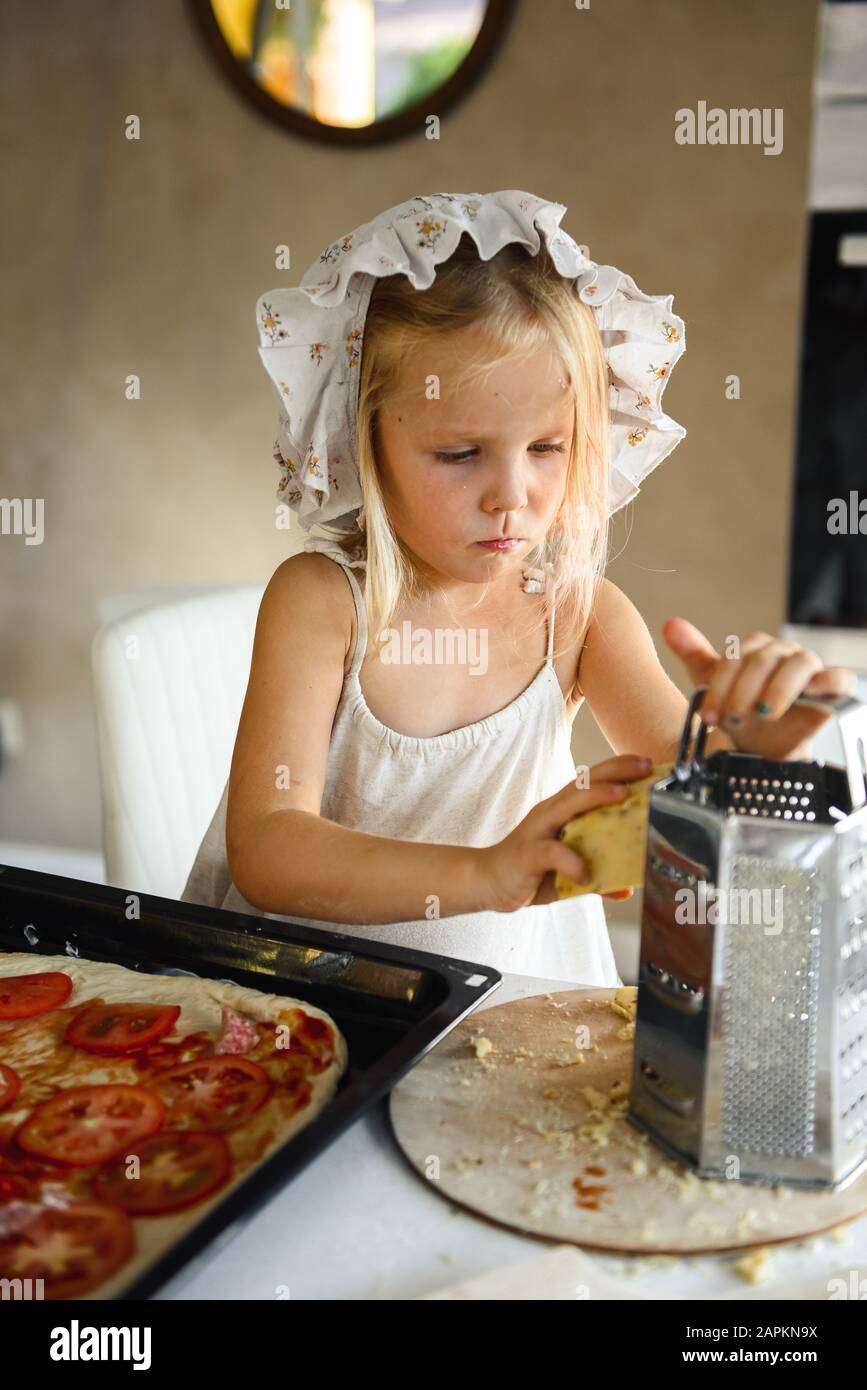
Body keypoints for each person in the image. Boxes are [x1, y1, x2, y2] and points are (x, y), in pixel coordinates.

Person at [181, 191, 855, 983]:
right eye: (460, 453)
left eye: (547, 446)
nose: (513, 494)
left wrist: (758, 761)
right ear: (364, 441)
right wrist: (483, 873)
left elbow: (696, 809)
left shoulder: (578, 617)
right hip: (292, 1009)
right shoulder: (322, 602)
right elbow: (267, 848)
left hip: (488, 1025)